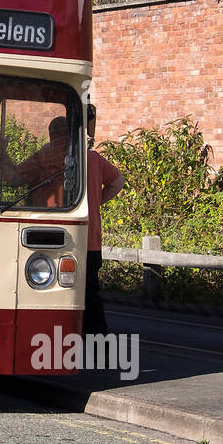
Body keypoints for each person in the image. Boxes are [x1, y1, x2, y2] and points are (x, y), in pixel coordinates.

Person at [85, 105, 124, 335]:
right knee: (91, 293)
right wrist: (96, 201)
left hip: (60, 239)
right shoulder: (94, 158)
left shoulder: (48, 154)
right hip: (91, 240)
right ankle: (98, 340)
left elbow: (15, 178)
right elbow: (118, 182)